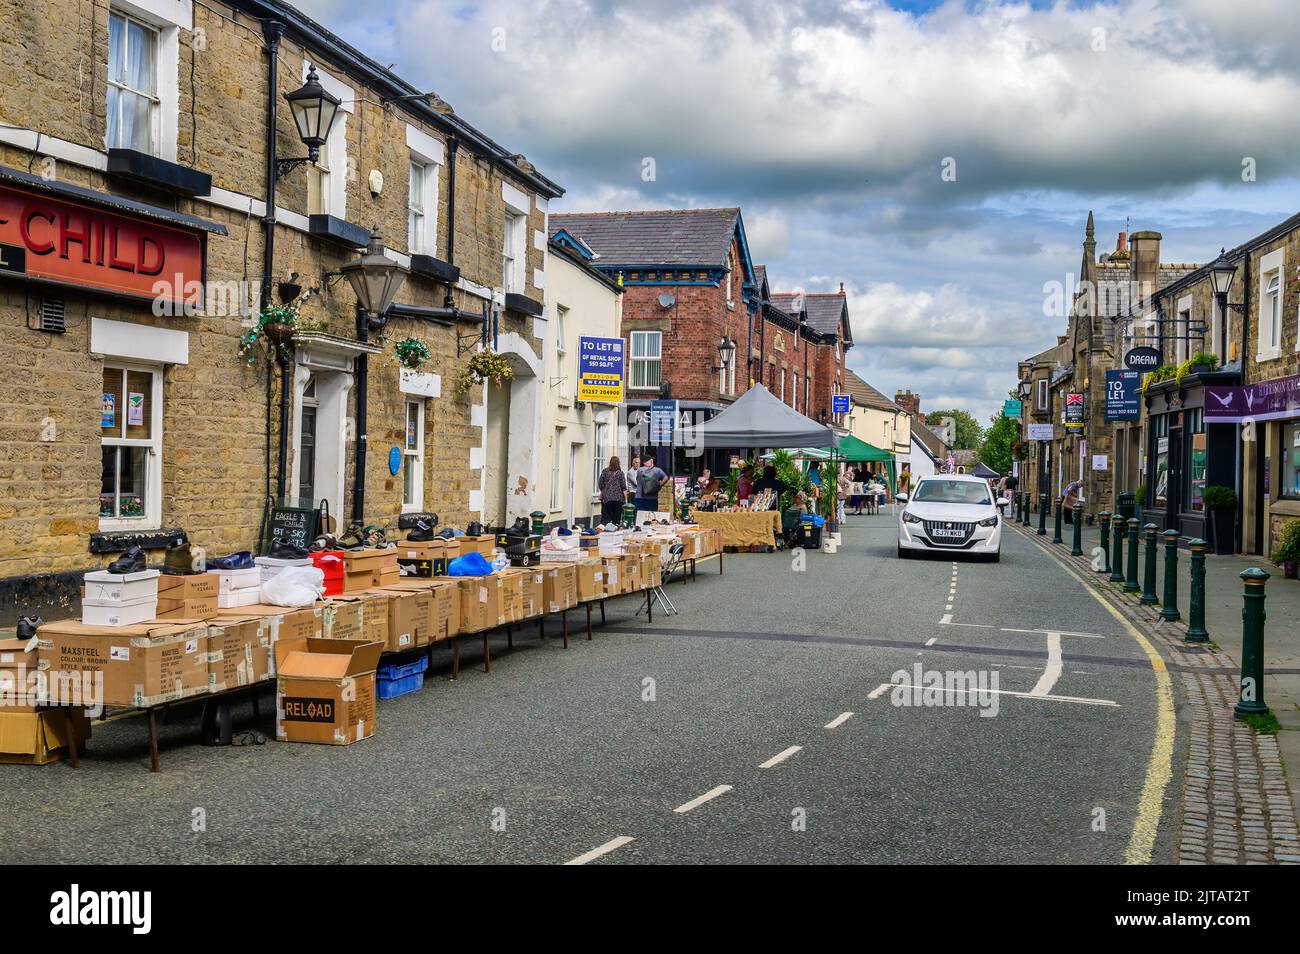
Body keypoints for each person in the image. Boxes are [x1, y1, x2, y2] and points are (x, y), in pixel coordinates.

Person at [597, 455, 629, 525]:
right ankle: (615, 530)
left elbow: (600, 484)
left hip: (606, 499)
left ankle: (605, 531)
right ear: (618, 463)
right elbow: (623, 487)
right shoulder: (620, 473)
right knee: (616, 518)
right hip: (618, 499)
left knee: (606, 518)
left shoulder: (605, 471)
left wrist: (604, 491)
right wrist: (626, 499)